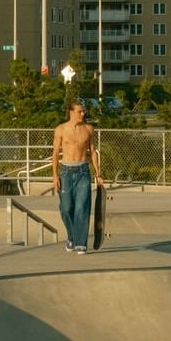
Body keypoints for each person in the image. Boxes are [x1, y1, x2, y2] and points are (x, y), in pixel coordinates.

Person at [49, 97, 100, 253]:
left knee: (81, 208)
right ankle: (71, 236)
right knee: (66, 208)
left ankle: (81, 242)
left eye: (83, 111)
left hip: (83, 171)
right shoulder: (61, 129)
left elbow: (93, 152)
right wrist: (55, 175)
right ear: (71, 112)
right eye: (80, 111)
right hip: (65, 172)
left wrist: (98, 173)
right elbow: (56, 153)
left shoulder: (88, 129)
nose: (83, 114)